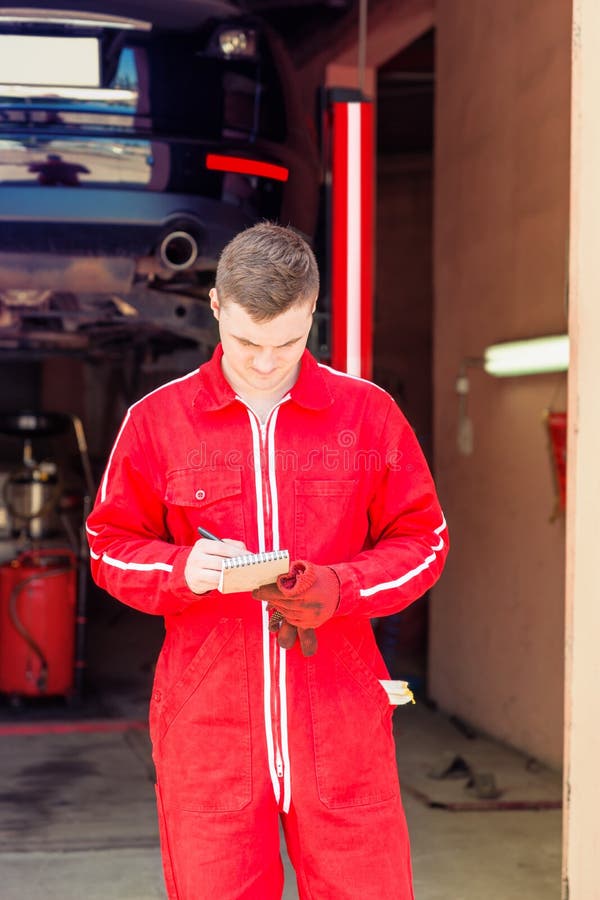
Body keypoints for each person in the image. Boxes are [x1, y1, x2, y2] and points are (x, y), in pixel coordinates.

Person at [86, 222, 449, 900]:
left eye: (285, 342)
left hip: (343, 723)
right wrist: (182, 570)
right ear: (217, 308)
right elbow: (109, 547)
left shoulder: (367, 416)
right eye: (247, 340)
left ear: (311, 312)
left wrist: (341, 586)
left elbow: (424, 539)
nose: (263, 361)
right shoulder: (156, 423)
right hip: (208, 733)